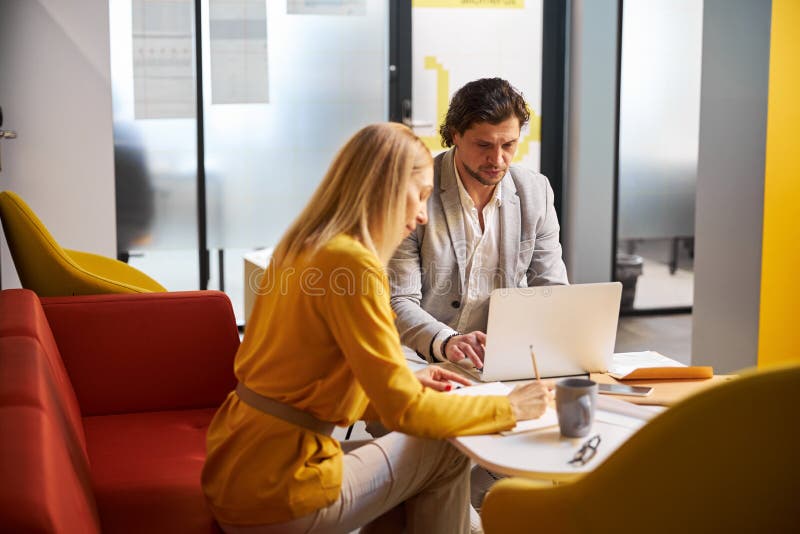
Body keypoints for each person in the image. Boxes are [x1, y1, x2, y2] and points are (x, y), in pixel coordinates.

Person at [201, 123, 551, 533]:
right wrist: (511, 408)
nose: (422, 215)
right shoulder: (354, 264)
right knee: (446, 447)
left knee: (413, 468)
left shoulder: (302, 246)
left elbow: (304, 380)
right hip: (280, 489)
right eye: (419, 196)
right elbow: (405, 412)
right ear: (387, 188)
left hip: (238, 465)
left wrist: (406, 379)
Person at [388, 78, 569, 369]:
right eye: (483, 145)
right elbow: (399, 300)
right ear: (455, 135)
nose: (497, 159)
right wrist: (447, 342)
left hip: (496, 359)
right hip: (418, 356)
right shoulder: (414, 189)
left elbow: (551, 288)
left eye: (508, 145)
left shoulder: (535, 192)